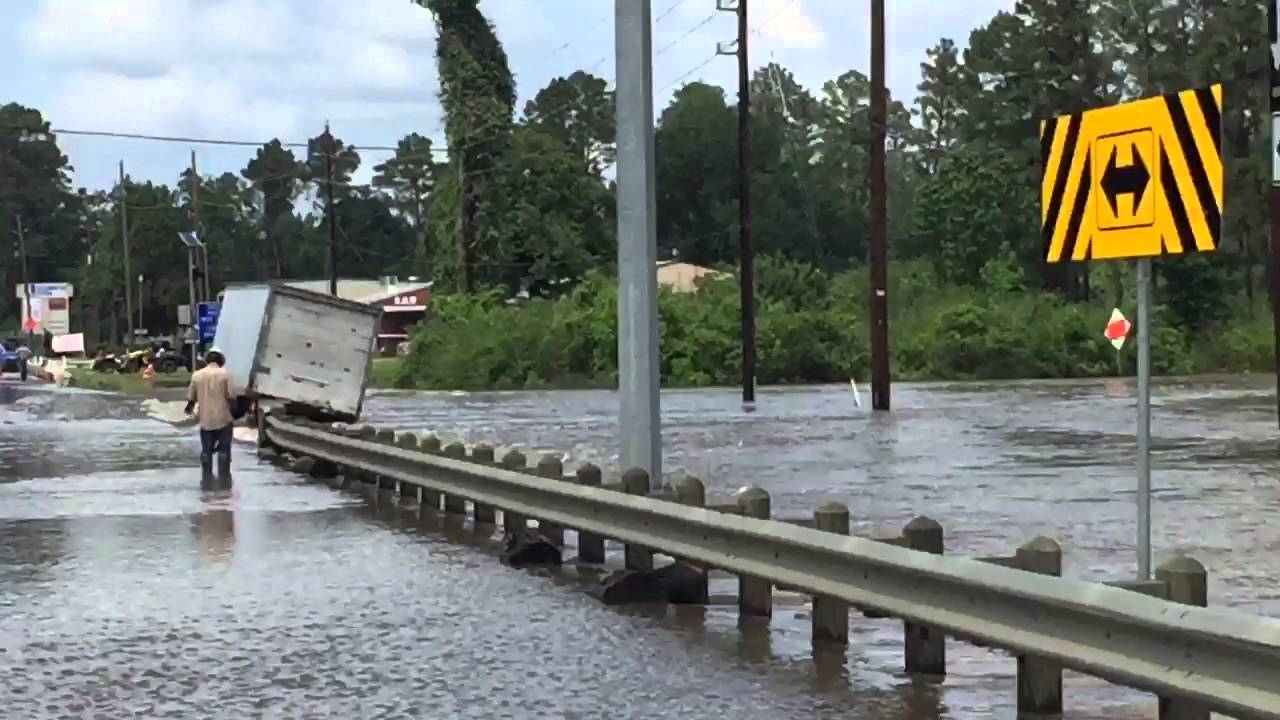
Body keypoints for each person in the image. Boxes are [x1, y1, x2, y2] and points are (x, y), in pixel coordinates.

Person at [185, 347, 234, 480]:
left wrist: (189, 409)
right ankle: (224, 478)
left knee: (206, 451)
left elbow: (191, 398)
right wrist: (235, 413)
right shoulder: (226, 374)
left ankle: (206, 478)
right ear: (221, 360)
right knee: (224, 450)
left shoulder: (197, 375)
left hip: (205, 420)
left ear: (207, 360)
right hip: (224, 419)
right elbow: (231, 396)